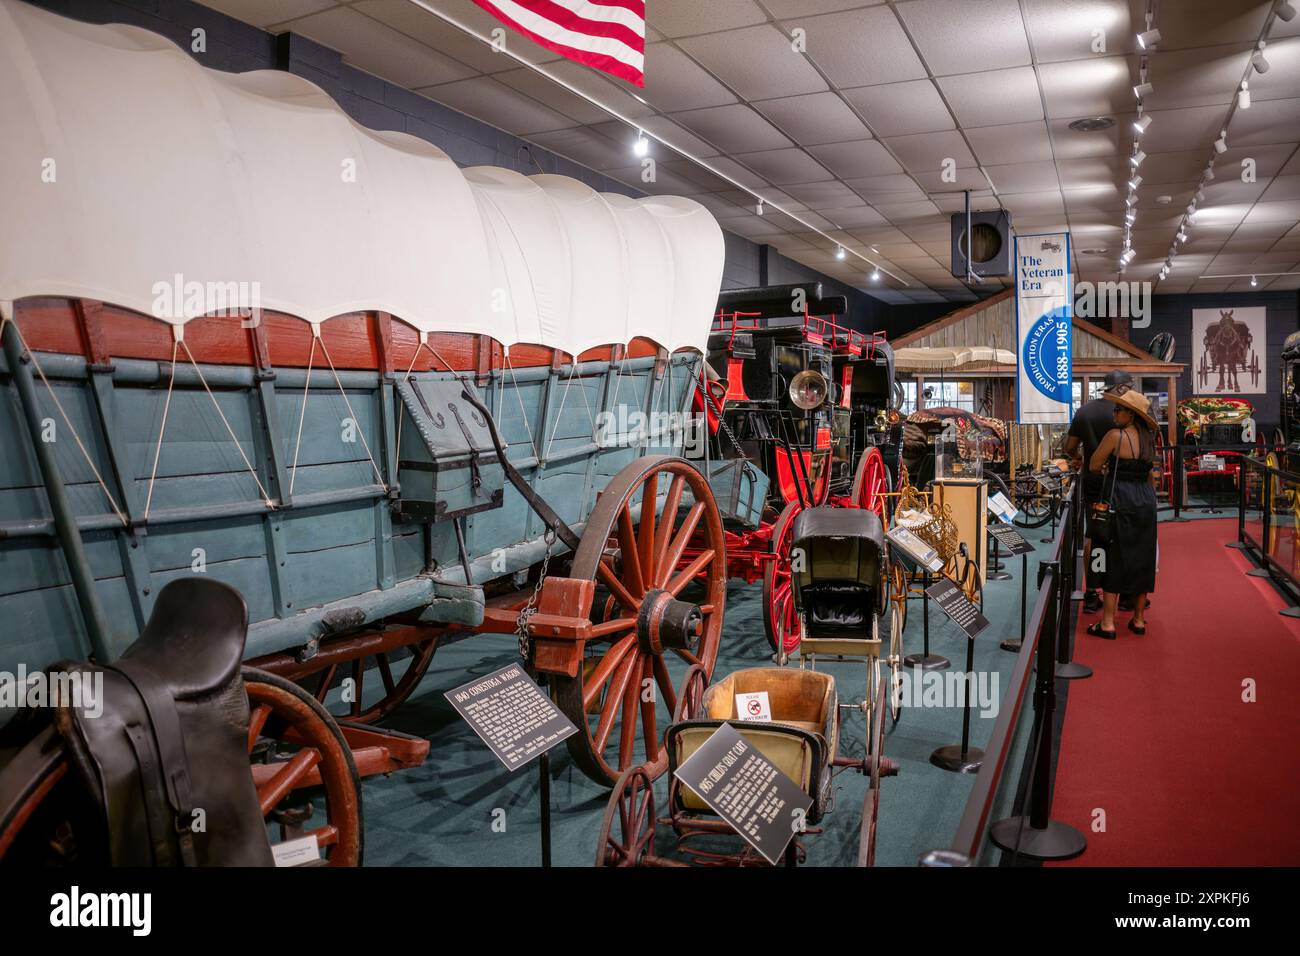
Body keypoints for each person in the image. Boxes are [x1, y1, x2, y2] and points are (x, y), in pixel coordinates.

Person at [1085, 386, 1159, 639]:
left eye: (1119, 409)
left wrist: (1106, 466)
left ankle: (1107, 623)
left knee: (1111, 556)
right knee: (1143, 558)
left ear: (1131, 414)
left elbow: (1094, 465)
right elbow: (1150, 475)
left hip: (1118, 499)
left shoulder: (1115, 436)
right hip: (1146, 502)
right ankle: (1138, 620)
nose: (1114, 413)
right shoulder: (1149, 439)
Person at [1064, 370, 1134, 612]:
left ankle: (1092, 592)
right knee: (1123, 537)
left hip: (1094, 482)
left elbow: (1069, 447)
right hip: (1125, 484)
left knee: (1095, 537)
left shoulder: (1085, 411)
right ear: (1122, 387)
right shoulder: (1131, 412)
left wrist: (1080, 458)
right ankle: (1123, 593)